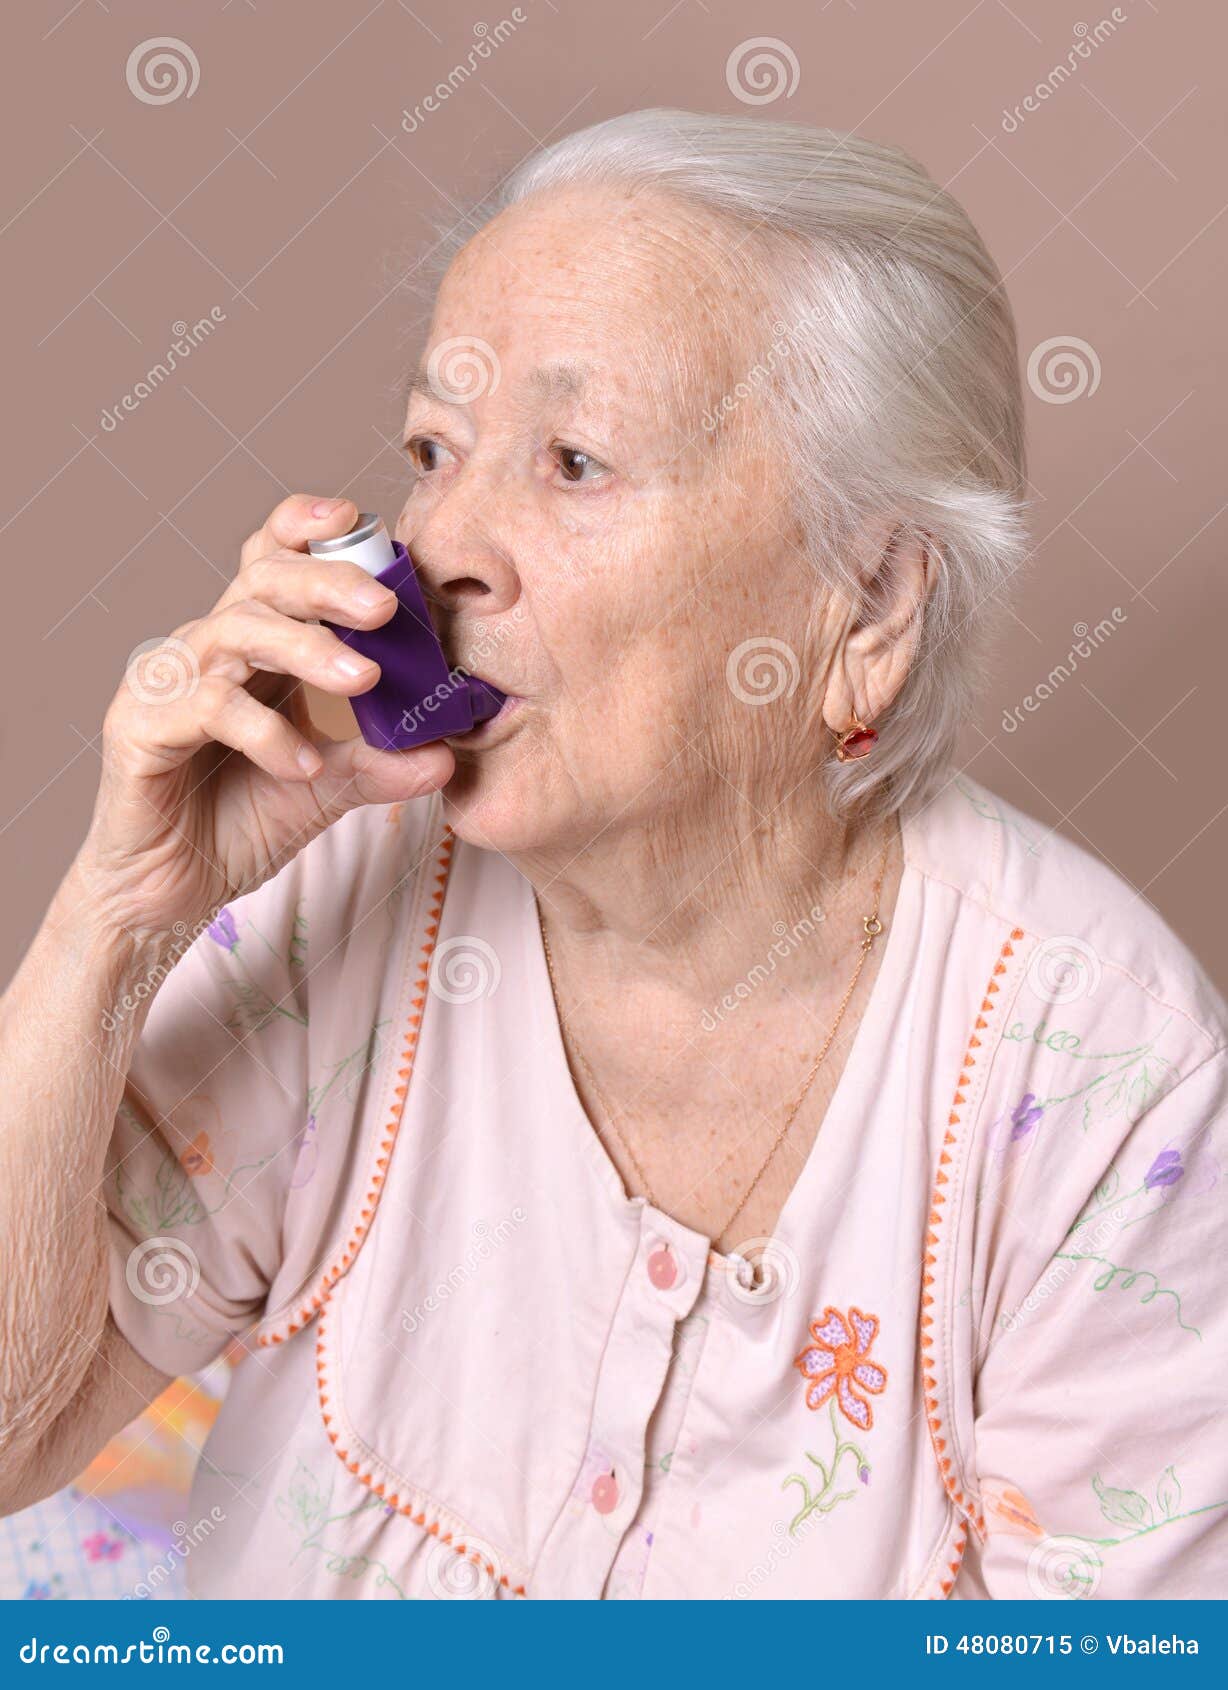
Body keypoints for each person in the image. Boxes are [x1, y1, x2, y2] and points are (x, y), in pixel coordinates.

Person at [1, 109, 1224, 1600]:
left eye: (575, 461)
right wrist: (110, 923)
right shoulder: (348, 892)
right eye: (435, 449)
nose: (444, 538)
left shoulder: (1097, 1071)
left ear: (873, 605)